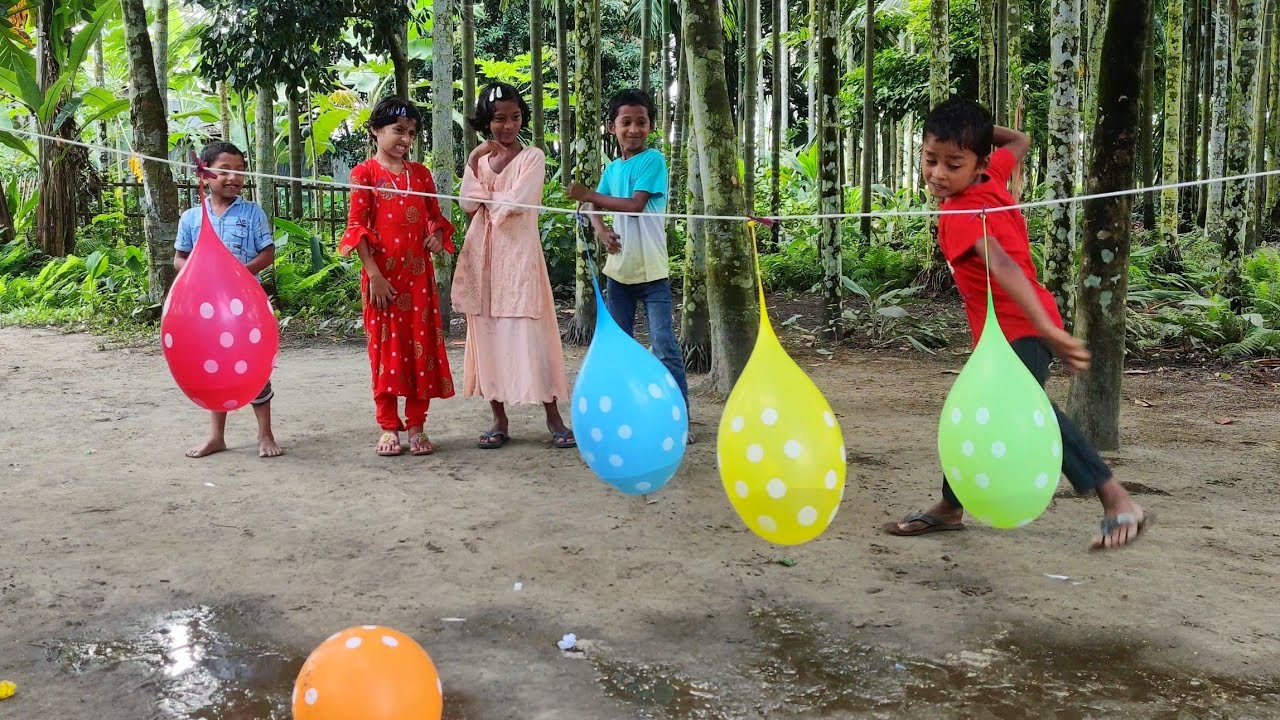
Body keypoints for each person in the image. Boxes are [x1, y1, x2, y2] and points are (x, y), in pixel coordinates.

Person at [884, 98, 1151, 550]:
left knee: (1033, 412)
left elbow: (1003, 265)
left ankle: (1117, 498)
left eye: (954, 163)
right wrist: (978, 131)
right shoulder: (994, 172)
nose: (939, 174)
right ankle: (951, 506)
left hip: (1020, 328)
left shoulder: (957, 214)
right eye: (931, 160)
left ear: (978, 163)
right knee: (972, 413)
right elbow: (1021, 140)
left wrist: (1045, 329)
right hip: (1008, 330)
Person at [454, 82, 575, 449]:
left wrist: (488, 198)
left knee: (531, 336)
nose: (507, 126)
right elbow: (466, 204)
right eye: (498, 119)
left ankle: (554, 418)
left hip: (520, 260)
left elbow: (520, 202)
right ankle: (499, 419)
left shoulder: (533, 157)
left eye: (515, 117)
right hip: (484, 259)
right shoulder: (477, 160)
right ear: (486, 122)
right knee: (487, 336)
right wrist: (476, 161)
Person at [566, 88, 692, 440]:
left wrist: (589, 195)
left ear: (651, 126)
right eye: (626, 122)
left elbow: (635, 205)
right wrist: (602, 230)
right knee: (617, 345)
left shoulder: (653, 161)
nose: (634, 129)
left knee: (664, 346)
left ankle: (680, 416)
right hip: (618, 275)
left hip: (653, 274)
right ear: (612, 127)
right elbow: (594, 209)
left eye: (641, 122)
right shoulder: (614, 168)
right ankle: (621, 413)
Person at [340, 97, 456, 457]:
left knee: (420, 351)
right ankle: (389, 427)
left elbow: (435, 216)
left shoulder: (420, 174)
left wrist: (437, 235)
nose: (405, 139)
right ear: (376, 130)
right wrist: (373, 275)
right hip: (382, 281)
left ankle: (417, 425)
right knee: (385, 351)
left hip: (419, 281)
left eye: (410, 133)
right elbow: (356, 227)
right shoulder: (364, 174)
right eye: (397, 131)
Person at [174, 141, 282, 459]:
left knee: (255, 368)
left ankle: (265, 434)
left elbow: (268, 253)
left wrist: (238, 276)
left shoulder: (252, 213)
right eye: (225, 171)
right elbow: (179, 259)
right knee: (214, 367)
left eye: (239, 171)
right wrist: (200, 277)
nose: (233, 177)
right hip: (206, 311)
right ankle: (216, 437)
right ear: (206, 175)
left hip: (245, 309)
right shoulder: (192, 218)